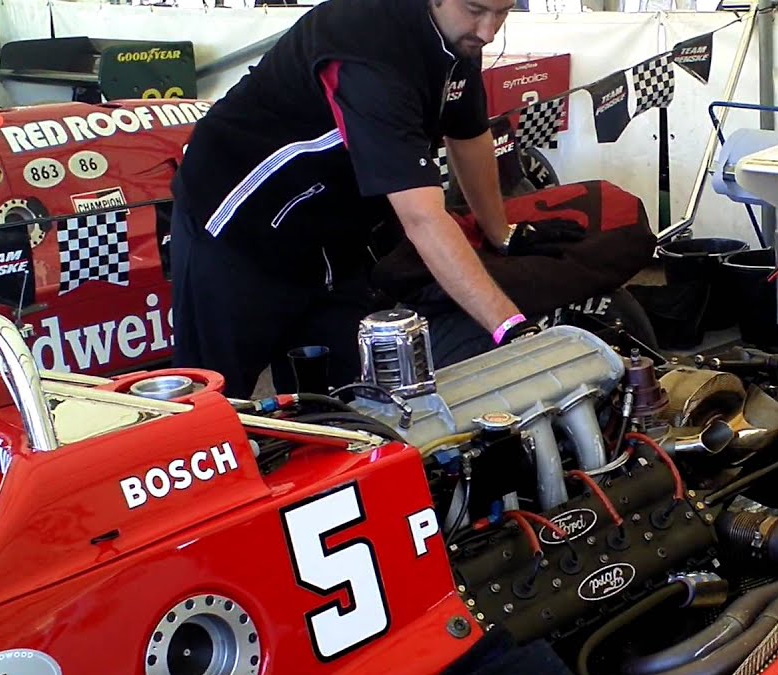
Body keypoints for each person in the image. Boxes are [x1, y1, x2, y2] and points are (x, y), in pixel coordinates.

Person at [168, 0, 580, 397]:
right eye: (475, 10)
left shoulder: (457, 37)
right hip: (237, 227)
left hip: (333, 237)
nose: (488, 32)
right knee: (217, 404)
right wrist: (511, 331)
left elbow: (468, 133)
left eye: (502, 12)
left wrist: (501, 233)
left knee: (349, 402)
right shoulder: (368, 53)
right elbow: (422, 218)